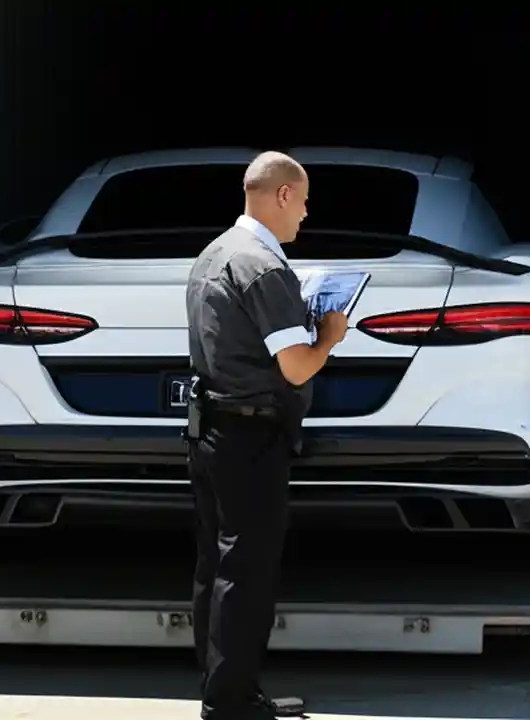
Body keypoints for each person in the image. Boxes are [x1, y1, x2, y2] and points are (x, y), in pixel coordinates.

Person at [184, 151, 349, 719]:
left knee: (216, 568)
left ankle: (222, 689)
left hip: (209, 431)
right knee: (246, 573)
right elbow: (296, 367)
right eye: (302, 201)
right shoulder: (264, 266)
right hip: (249, 436)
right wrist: (329, 334)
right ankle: (232, 703)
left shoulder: (215, 254)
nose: (305, 214)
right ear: (281, 195)